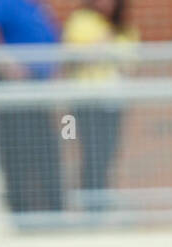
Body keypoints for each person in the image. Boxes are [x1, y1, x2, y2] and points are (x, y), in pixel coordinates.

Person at [0, 0, 63, 215]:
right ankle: (21, 212)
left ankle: (54, 211)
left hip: (40, 94)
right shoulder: (7, 3)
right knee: (18, 153)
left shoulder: (40, 7)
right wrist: (7, 62)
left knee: (48, 152)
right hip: (17, 93)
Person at [62, 0, 138, 203]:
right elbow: (74, 56)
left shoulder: (123, 27)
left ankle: (101, 201)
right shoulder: (81, 20)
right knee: (91, 153)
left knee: (108, 153)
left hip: (113, 101)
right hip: (87, 99)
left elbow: (129, 64)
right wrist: (102, 44)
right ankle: (90, 203)